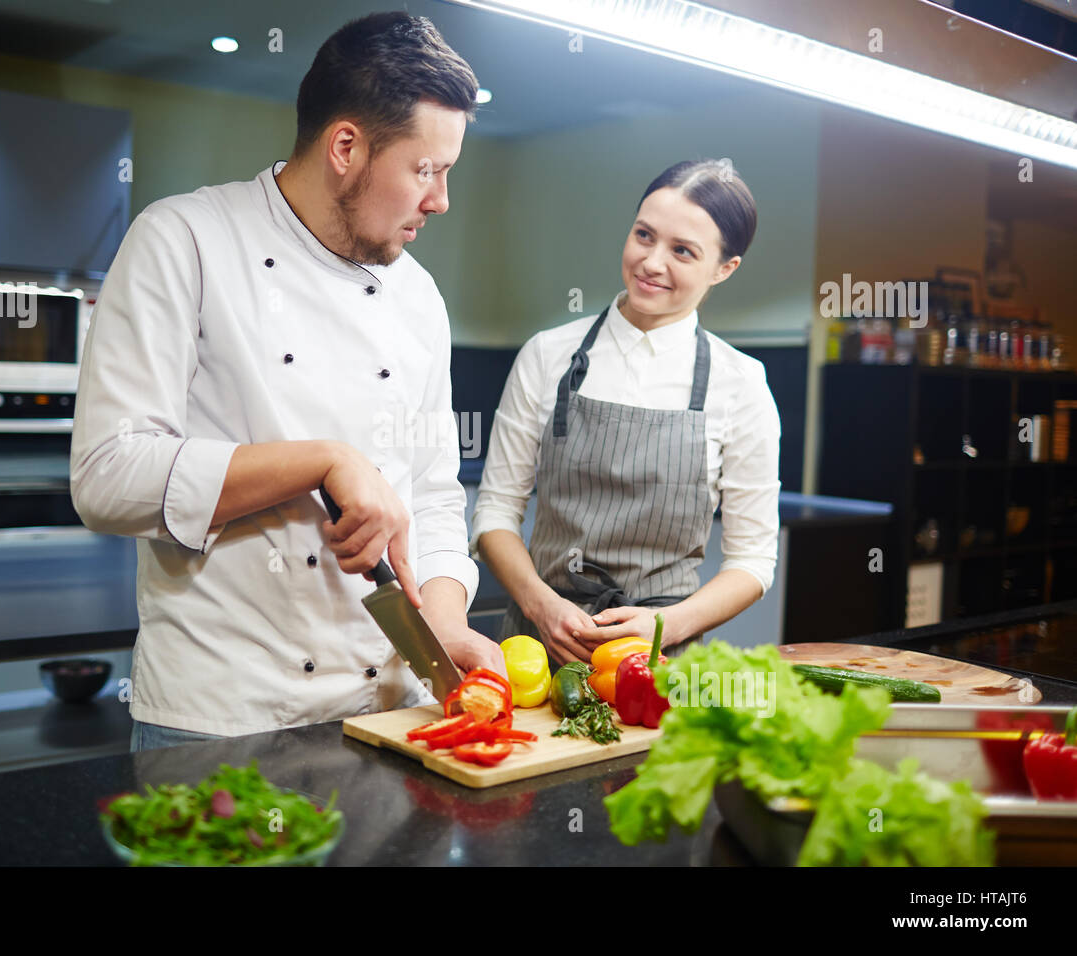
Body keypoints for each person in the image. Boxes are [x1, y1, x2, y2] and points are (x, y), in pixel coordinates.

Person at [70, 12, 505, 751]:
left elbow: (432, 490)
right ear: (346, 146)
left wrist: (444, 616)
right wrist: (325, 459)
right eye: (426, 170)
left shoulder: (418, 295)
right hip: (218, 720)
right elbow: (108, 478)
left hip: (388, 709)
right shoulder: (185, 240)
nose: (440, 201)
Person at [472, 159, 781, 667]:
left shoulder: (742, 384)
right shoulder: (548, 355)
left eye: (682, 251)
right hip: (537, 648)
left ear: (725, 268)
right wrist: (539, 603)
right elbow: (495, 513)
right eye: (644, 235)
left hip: (659, 662)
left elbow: (752, 562)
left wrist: (667, 625)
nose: (651, 262)